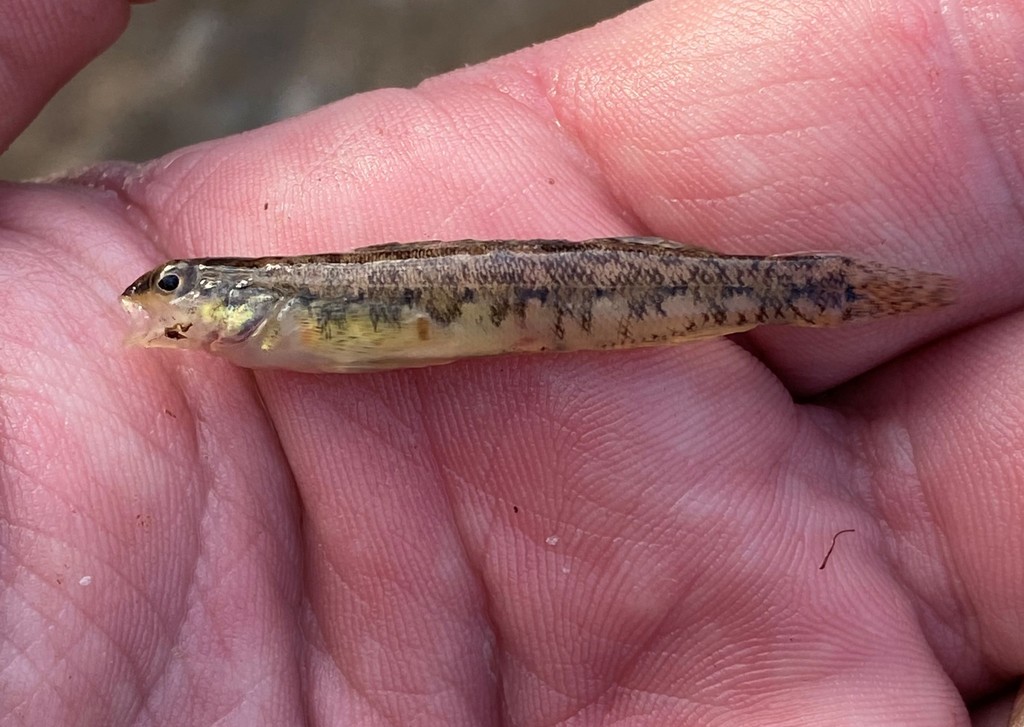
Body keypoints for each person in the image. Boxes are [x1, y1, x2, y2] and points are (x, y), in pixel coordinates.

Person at [2, 0, 1021, 724]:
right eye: (172, 290)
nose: (162, 304)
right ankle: (841, 285)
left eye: (179, 288)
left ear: (231, 294)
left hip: (571, 295)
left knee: (704, 287)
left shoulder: (277, 314)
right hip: (558, 300)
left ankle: (842, 286)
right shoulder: (267, 330)